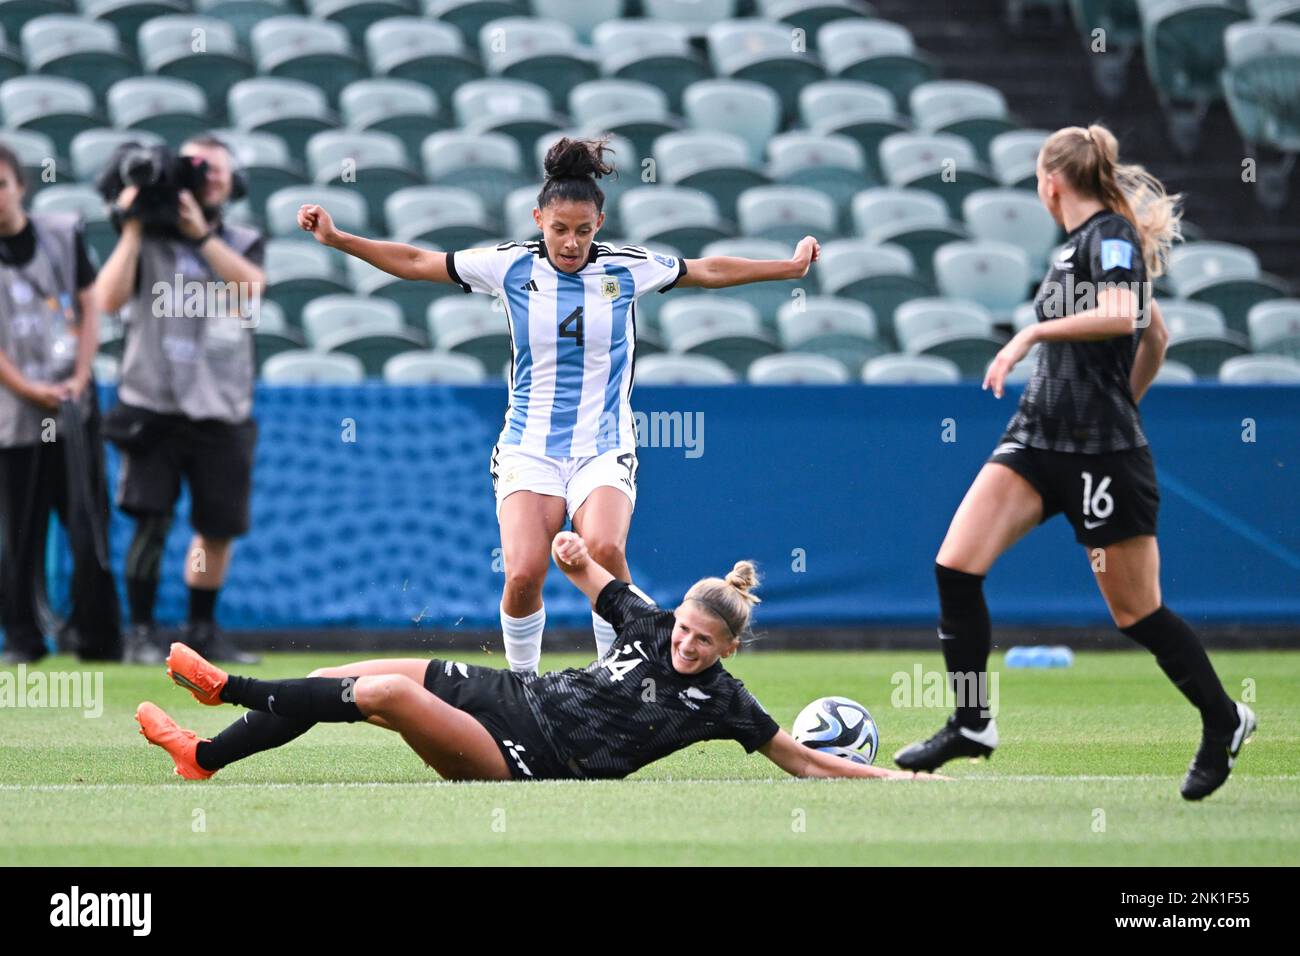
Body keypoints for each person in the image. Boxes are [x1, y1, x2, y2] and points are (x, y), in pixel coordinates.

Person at [296, 136, 821, 675]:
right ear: (538, 220)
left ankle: (613, 677)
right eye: (559, 229)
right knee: (523, 574)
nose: (570, 243)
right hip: (529, 447)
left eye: (583, 230)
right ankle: (523, 690)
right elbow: (414, 260)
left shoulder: (628, 268)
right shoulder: (508, 266)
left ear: (601, 224)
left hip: (604, 445)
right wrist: (337, 239)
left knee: (605, 552)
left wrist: (788, 268)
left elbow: (707, 270)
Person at [892, 124, 1255, 801]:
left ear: (1051, 181)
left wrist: (1036, 334)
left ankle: (1224, 717)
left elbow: (1127, 317)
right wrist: (1126, 392)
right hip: (1037, 439)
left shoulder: (1110, 234)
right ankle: (971, 723)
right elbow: (1161, 334)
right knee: (956, 566)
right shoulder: (1075, 249)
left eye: (1038, 178)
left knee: (1136, 614)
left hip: (1101, 453)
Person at [136, 531, 934, 783]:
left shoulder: (725, 703)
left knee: (380, 693)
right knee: (324, 679)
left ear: (728, 648)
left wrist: (895, 784)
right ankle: (203, 757)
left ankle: (226, 687)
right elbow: (589, 576)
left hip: (530, 759)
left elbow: (803, 763)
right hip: (512, 694)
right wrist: (569, 549)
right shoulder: (651, 625)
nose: (685, 646)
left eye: (703, 642)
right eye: (684, 632)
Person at [94, 135, 266, 664]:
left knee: (215, 527)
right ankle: (141, 632)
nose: (207, 176)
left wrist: (202, 235)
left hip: (221, 406)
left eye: (217, 169)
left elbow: (251, 290)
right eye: (197, 166)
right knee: (151, 520)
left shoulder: (242, 237)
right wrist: (134, 224)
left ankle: (201, 628)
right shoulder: (146, 240)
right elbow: (106, 299)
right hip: (152, 401)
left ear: (232, 182)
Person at [0, 144, 121, 663]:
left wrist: (78, 376)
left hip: (73, 410)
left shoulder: (60, 234)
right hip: (13, 417)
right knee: (17, 535)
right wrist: (27, 388)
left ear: (20, 186)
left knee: (88, 524)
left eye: (2, 184)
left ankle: (97, 639)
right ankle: (23, 640)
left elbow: (91, 304)